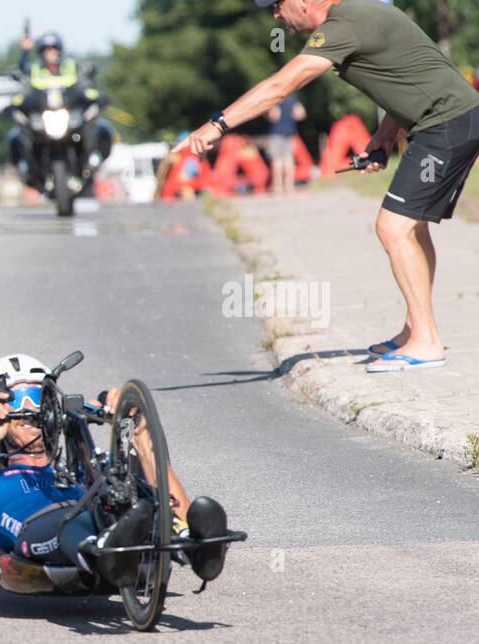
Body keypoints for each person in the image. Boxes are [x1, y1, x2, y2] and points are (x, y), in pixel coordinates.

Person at [179, 0, 479, 373]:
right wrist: (385, 138)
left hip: (446, 127)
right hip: (449, 121)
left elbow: (280, 87)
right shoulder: (361, 12)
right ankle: (416, 329)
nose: (275, 16)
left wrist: (216, 125)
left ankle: (427, 343)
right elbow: (410, 78)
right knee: (411, 226)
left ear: (302, 1)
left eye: (276, 5)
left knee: (394, 227)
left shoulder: (342, 24)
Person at [0, 356, 230, 595]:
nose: (30, 409)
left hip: (102, 513)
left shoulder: (83, 468)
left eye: (39, 399)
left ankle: (195, 547)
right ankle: (107, 548)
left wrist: (142, 438)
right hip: (42, 531)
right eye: (16, 400)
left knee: (134, 498)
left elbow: (174, 501)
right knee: (73, 522)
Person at [266, 93, 307, 193]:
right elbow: (301, 114)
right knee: (288, 161)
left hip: (277, 133)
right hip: (290, 132)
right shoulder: (292, 97)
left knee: (277, 161)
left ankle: (278, 187)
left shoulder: (274, 97)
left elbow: (272, 116)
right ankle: (289, 187)